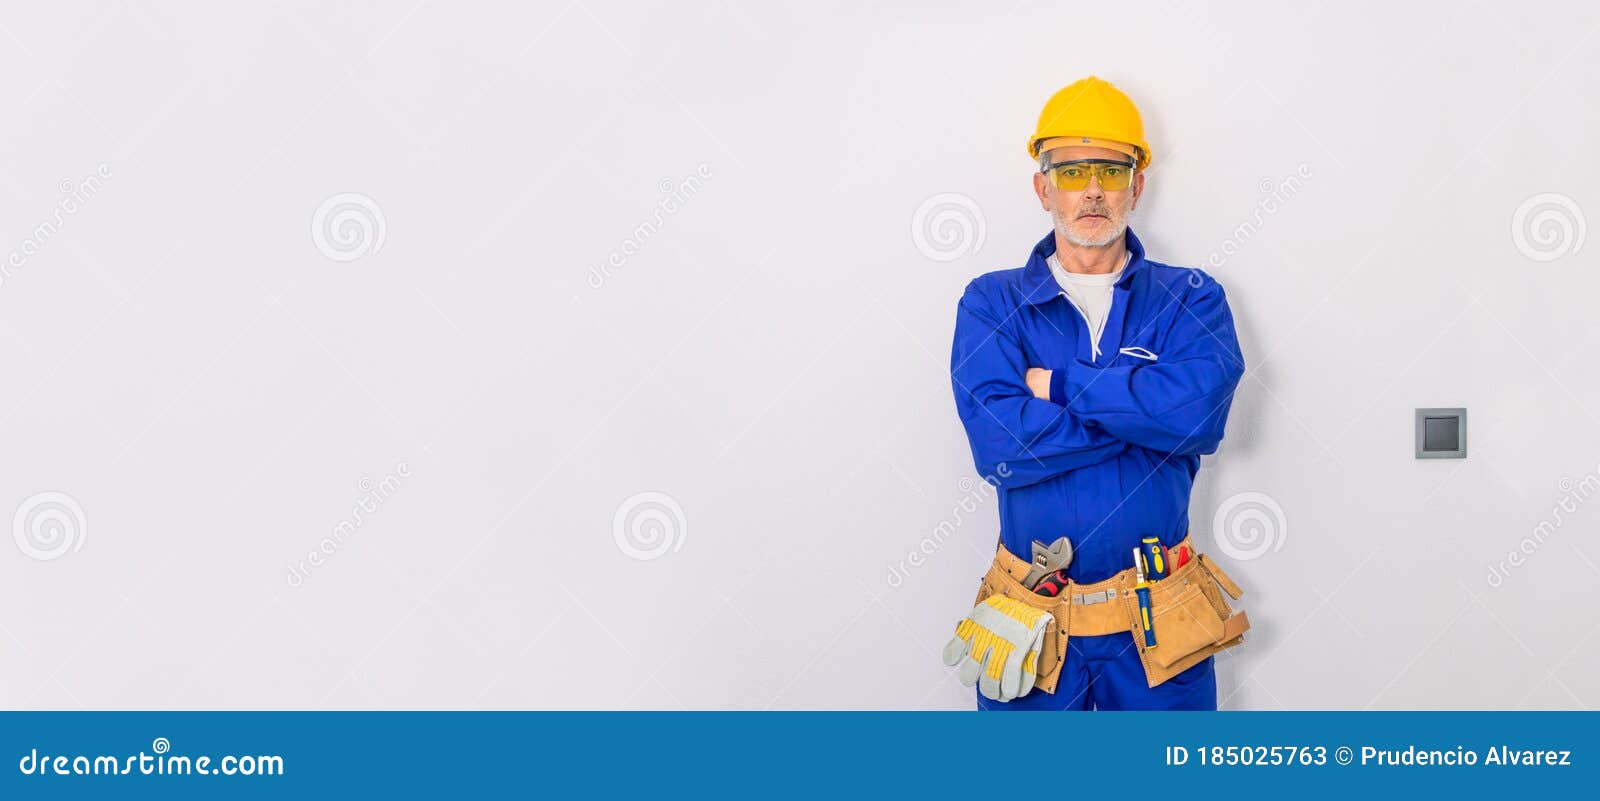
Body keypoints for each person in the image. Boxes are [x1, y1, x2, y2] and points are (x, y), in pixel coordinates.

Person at [947, 76, 1246, 710]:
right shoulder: (993, 302)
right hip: (1031, 627)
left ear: (1136, 186)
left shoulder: (1190, 297)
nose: (1091, 190)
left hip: (1161, 634)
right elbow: (998, 443)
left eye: (1110, 172)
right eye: (1072, 170)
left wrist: (1058, 386)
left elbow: (1198, 416)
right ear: (1042, 186)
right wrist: (1144, 418)